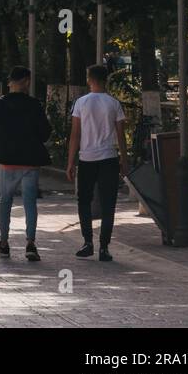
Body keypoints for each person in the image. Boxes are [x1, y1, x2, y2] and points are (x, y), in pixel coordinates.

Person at [0, 65, 50, 261]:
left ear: (10, 82)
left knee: (6, 201)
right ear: (26, 81)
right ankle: (30, 243)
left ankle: (3, 243)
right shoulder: (34, 105)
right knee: (30, 201)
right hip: (30, 161)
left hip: (8, 161)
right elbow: (45, 132)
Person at [67, 64, 129, 262]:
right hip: (109, 159)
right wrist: (124, 160)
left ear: (89, 79)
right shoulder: (114, 104)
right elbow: (121, 136)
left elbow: (75, 135)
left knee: (84, 201)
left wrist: (70, 162)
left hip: (87, 159)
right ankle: (104, 247)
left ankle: (87, 242)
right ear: (106, 80)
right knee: (108, 203)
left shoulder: (81, 103)